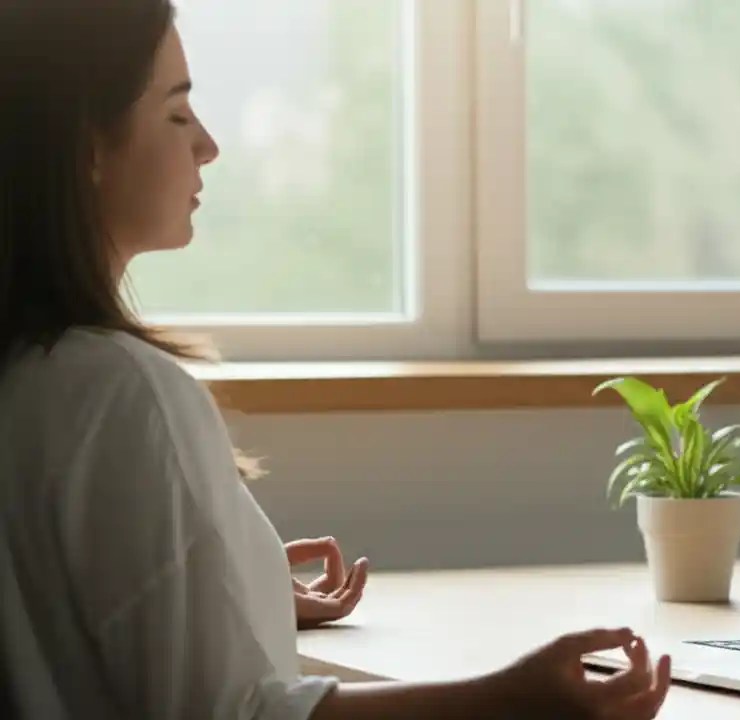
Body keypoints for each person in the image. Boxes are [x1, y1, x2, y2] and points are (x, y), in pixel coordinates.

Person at [0, 2, 671, 718]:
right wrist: (508, 700)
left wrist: (236, 590)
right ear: (88, 150)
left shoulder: (30, 380)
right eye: (176, 114)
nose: (208, 146)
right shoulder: (122, 396)